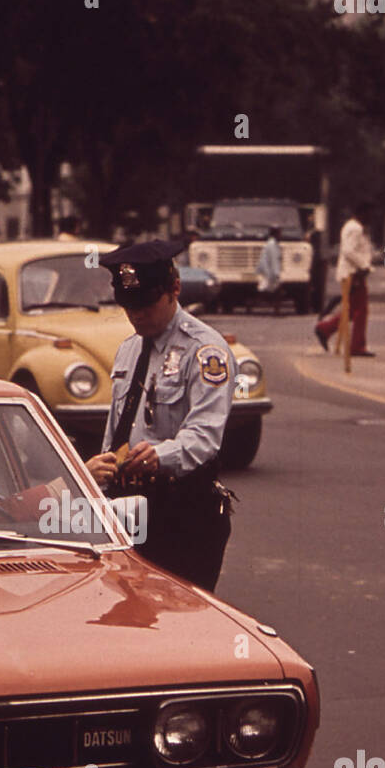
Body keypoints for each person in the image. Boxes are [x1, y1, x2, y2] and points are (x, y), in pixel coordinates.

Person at [86, 238, 236, 593]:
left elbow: (204, 436)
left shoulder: (204, 351)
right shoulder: (128, 350)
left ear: (175, 289)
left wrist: (159, 456)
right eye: (128, 305)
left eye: (147, 304)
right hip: (128, 511)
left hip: (182, 512)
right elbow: (116, 429)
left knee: (178, 619)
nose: (137, 315)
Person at [315, 202, 373, 356]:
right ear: (362, 213)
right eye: (369, 214)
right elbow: (348, 251)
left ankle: (325, 329)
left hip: (351, 273)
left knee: (353, 310)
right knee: (361, 311)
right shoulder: (356, 228)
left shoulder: (351, 226)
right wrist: (364, 265)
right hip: (353, 273)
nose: (370, 218)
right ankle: (357, 346)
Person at [256, 225, 283, 315]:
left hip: (268, 271)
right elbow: (274, 259)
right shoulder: (272, 245)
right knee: (275, 290)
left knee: (270, 289)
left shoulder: (270, 243)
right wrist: (276, 273)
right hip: (270, 272)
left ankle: (275, 309)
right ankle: (276, 310)